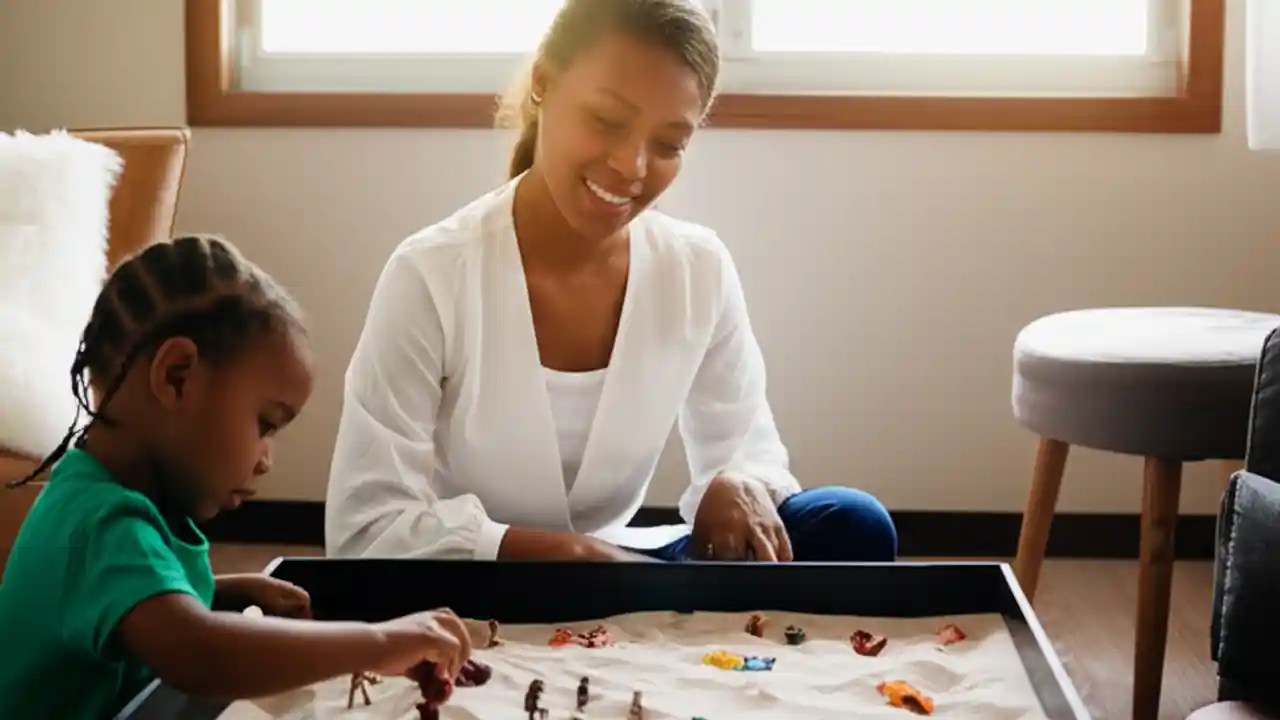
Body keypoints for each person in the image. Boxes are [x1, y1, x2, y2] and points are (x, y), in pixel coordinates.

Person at [326, 0, 897, 564]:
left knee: (851, 523)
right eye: (607, 121)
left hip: (620, 569)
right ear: (544, 85)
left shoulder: (697, 268)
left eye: (669, 143)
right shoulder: (430, 273)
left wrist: (736, 482)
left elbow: (752, 456)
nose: (633, 166)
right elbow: (366, 529)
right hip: (479, 573)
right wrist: (566, 554)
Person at [0, 236, 471, 719]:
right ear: (177, 376)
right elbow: (198, 652)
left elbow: (125, 603)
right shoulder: (99, 522)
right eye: (265, 424)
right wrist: (379, 642)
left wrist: (221, 589)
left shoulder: (93, 495)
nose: (266, 459)